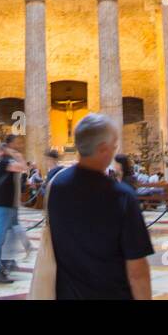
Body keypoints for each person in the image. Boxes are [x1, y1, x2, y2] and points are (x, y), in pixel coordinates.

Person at [45, 114, 153, 300]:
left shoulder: (56, 186)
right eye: (114, 145)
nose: (114, 150)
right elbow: (137, 270)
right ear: (103, 149)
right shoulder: (121, 196)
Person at [0, 134, 26, 284]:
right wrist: (17, 155)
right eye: (15, 144)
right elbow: (23, 167)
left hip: (3, 205)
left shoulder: (0, 162)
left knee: (1, 237)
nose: (17, 147)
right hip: (2, 206)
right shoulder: (4, 162)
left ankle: (1, 266)